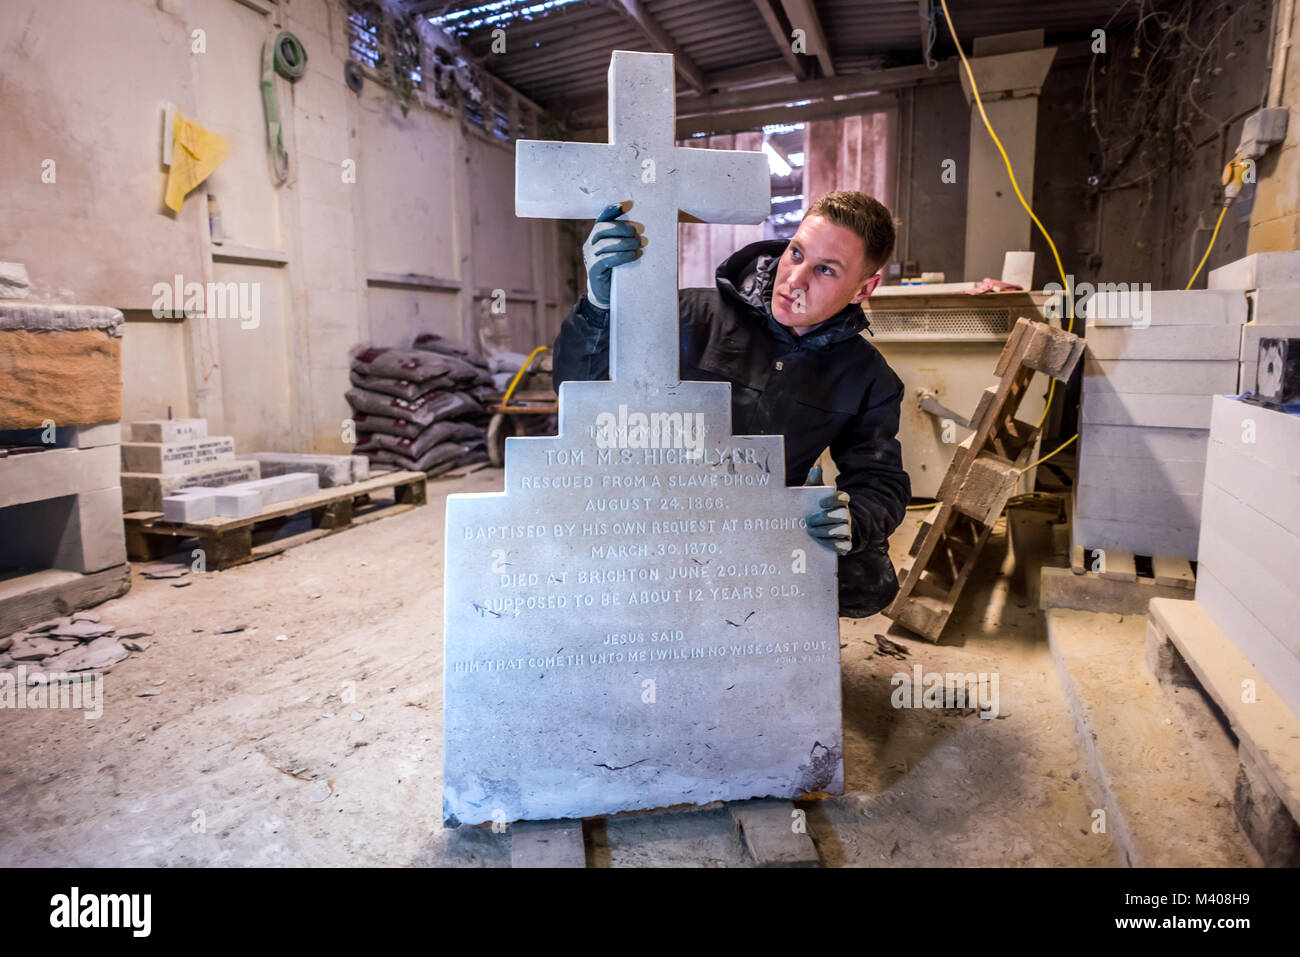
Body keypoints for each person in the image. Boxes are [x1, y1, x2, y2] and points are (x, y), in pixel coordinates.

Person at [551, 190, 911, 617]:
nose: (794, 280)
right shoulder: (689, 314)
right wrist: (599, 307)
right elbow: (578, 392)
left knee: (869, 578)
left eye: (826, 270)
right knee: (562, 556)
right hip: (657, 513)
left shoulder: (868, 376)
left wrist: (855, 518)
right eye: (796, 253)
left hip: (760, 524)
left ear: (863, 289)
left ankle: (755, 630)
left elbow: (879, 477)